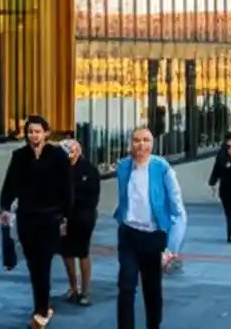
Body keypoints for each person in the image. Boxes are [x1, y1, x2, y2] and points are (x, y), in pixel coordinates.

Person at [0, 116, 74, 328]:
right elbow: (10, 184)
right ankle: (42, 305)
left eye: (37, 131)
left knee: (44, 263)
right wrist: (5, 208)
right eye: (30, 131)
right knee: (34, 265)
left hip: (50, 218)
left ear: (46, 133)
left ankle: (41, 310)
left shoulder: (57, 155)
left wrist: (66, 217)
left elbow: (67, 187)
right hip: (27, 217)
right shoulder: (19, 156)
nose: (34, 135)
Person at [114, 127, 187, 329]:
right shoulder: (123, 167)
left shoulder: (162, 168)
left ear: (152, 144)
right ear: (131, 143)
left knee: (152, 290)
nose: (141, 145)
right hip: (129, 235)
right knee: (126, 288)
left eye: (146, 140)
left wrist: (171, 248)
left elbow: (178, 210)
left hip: (154, 238)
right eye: (137, 140)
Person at [60, 138, 101, 306]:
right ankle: (73, 288)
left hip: (83, 217)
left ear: (78, 151)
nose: (68, 155)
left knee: (83, 252)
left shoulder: (89, 170)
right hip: (64, 218)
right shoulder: (61, 169)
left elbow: (92, 198)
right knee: (66, 252)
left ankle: (85, 292)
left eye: (71, 151)